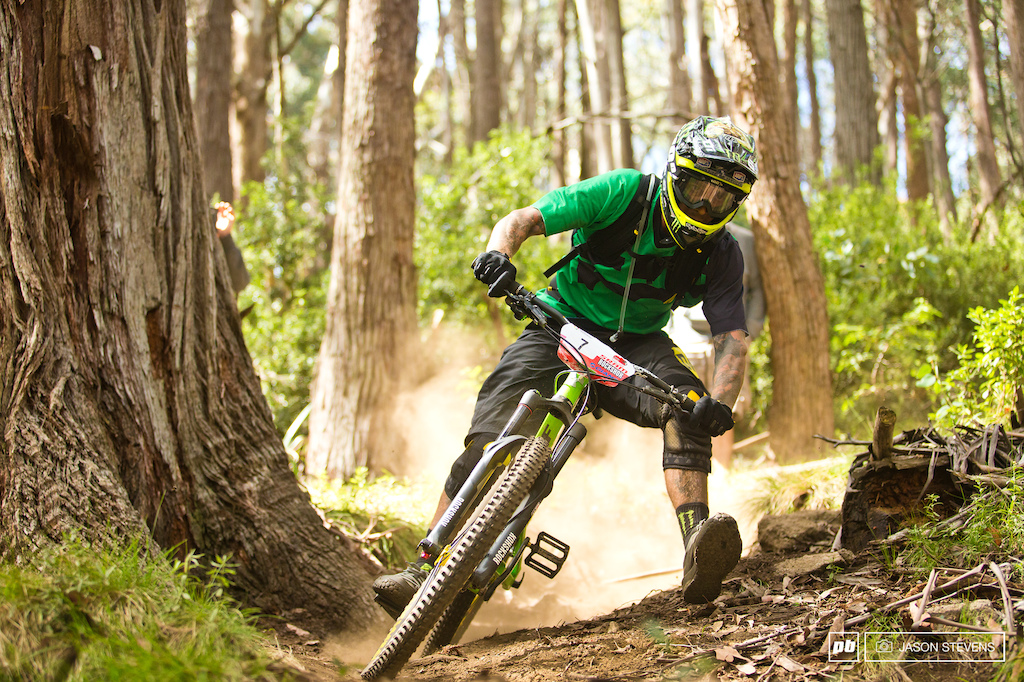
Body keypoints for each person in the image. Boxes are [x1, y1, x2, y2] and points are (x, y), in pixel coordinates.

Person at [373, 116, 759, 617]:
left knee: (689, 413)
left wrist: (720, 406)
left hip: (640, 345)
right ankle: (425, 567)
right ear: (673, 174)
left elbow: (733, 339)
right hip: (559, 322)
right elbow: (525, 219)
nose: (706, 205)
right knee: (490, 438)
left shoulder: (722, 253)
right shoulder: (623, 192)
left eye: (722, 198)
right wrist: (497, 255)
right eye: (698, 188)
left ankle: (697, 549)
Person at [665, 223, 763, 469]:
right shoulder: (675, 229)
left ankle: (722, 470)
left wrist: (751, 327)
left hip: (731, 337)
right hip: (686, 338)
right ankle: (680, 468)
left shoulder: (745, 240)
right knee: (680, 408)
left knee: (721, 410)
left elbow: (757, 290)